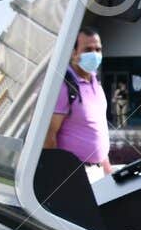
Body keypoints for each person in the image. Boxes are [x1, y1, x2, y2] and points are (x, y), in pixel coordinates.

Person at [43, 28, 112, 174]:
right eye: (88, 50)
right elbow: (48, 135)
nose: (94, 54)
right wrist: (56, 175)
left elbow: (98, 129)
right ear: (73, 53)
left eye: (98, 49)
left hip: (97, 172)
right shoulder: (63, 86)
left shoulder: (96, 81)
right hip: (73, 174)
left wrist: (107, 169)